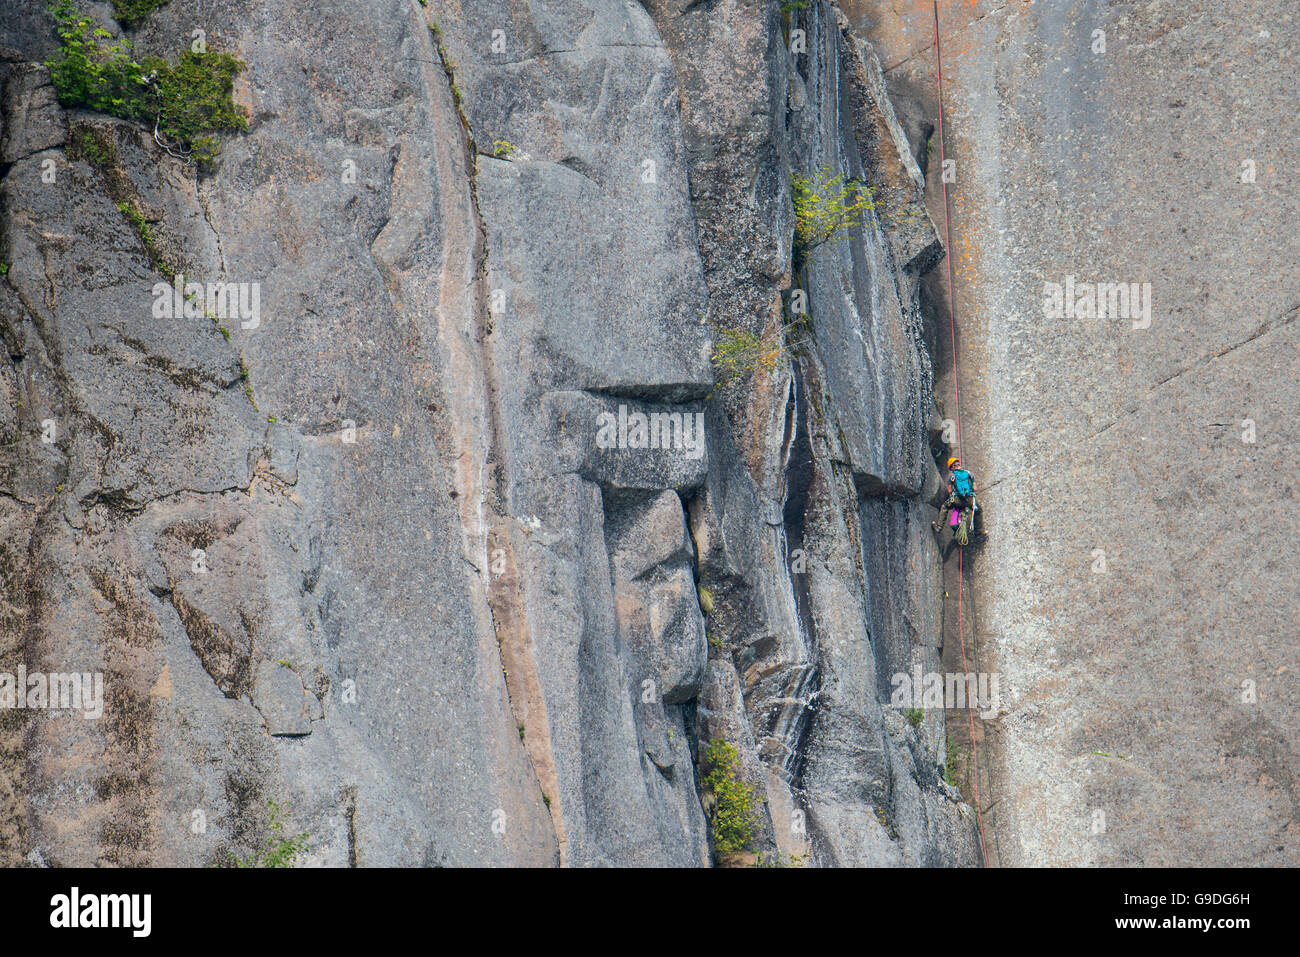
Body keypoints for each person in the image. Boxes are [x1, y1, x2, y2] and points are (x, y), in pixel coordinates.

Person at [933, 456, 977, 545]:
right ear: (959, 464)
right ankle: (980, 531)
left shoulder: (951, 475)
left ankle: (939, 527)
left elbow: (949, 490)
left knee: (944, 507)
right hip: (969, 499)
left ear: (952, 468)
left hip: (957, 500)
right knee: (978, 511)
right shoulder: (969, 473)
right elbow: (975, 488)